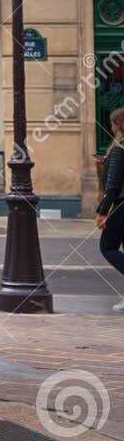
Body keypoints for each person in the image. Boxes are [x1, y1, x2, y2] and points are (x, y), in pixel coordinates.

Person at [97, 107, 124, 310]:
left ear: (118, 125)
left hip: (122, 205)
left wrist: (102, 211)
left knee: (107, 246)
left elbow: (113, 185)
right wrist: (108, 163)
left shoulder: (119, 149)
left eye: (113, 124)